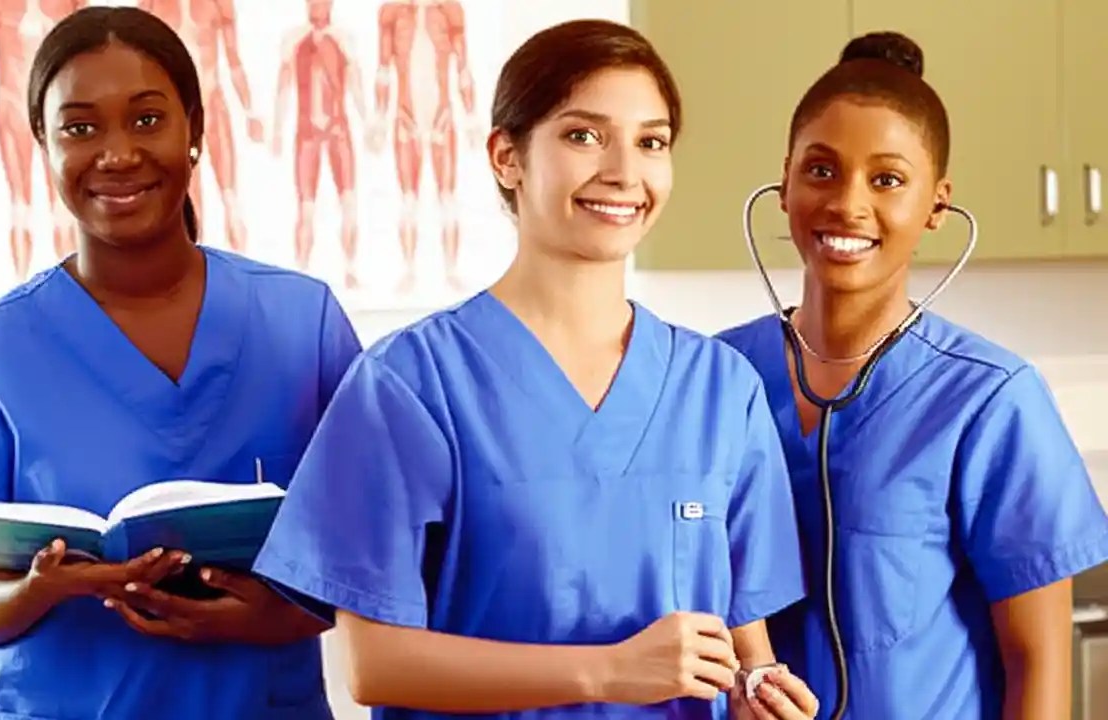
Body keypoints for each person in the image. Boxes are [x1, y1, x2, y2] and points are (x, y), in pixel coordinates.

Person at [253, 19, 818, 720]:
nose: (624, 171)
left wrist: (756, 692)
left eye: (651, 142)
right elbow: (375, 665)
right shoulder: (410, 384)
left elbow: (745, 651)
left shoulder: (720, 391)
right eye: (584, 135)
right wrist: (607, 672)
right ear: (507, 158)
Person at [0, 7, 359, 719]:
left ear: (193, 129)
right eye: (79, 128)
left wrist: (265, 617)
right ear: (42, 144)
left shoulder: (301, 324)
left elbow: (370, 552)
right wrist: (34, 588)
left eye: (145, 120)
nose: (116, 154)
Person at [717, 32, 1108, 720]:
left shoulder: (989, 399)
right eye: (821, 170)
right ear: (783, 183)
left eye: (888, 179)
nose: (848, 203)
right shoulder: (712, 378)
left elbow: (1037, 658)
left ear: (936, 203)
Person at [0, 0, 86, 280]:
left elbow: (87, 56)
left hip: (58, 113)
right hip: (13, 106)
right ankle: (20, 293)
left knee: (63, 210)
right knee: (20, 207)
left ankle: (75, 301)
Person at [369, 0, 483, 294]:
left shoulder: (448, 10)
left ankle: (451, 269)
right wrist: (380, 120)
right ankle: (408, 269)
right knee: (409, 199)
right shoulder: (392, 12)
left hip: (441, 116)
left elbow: (462, 67)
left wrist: (471, 118)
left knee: (447, 197)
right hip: (405, 116)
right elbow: (383, 69)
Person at [138, 0, 262, 253]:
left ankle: (239, 277)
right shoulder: (149, 6)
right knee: (185, 200)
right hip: (172, 117)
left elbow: (234, 61)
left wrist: (250, 111)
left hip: (212, 107)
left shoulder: (218, 5)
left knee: (230, 199)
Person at [270, 0, 366, 288]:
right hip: (307, 131)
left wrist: (369, 120)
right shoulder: (294, 39)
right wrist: (276, 128)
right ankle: (301, 268)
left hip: (338, 130)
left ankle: (350, 267)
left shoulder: (343, 39)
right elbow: (283, 86)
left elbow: (355, 82)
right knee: (306, 207)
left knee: (348, 202)